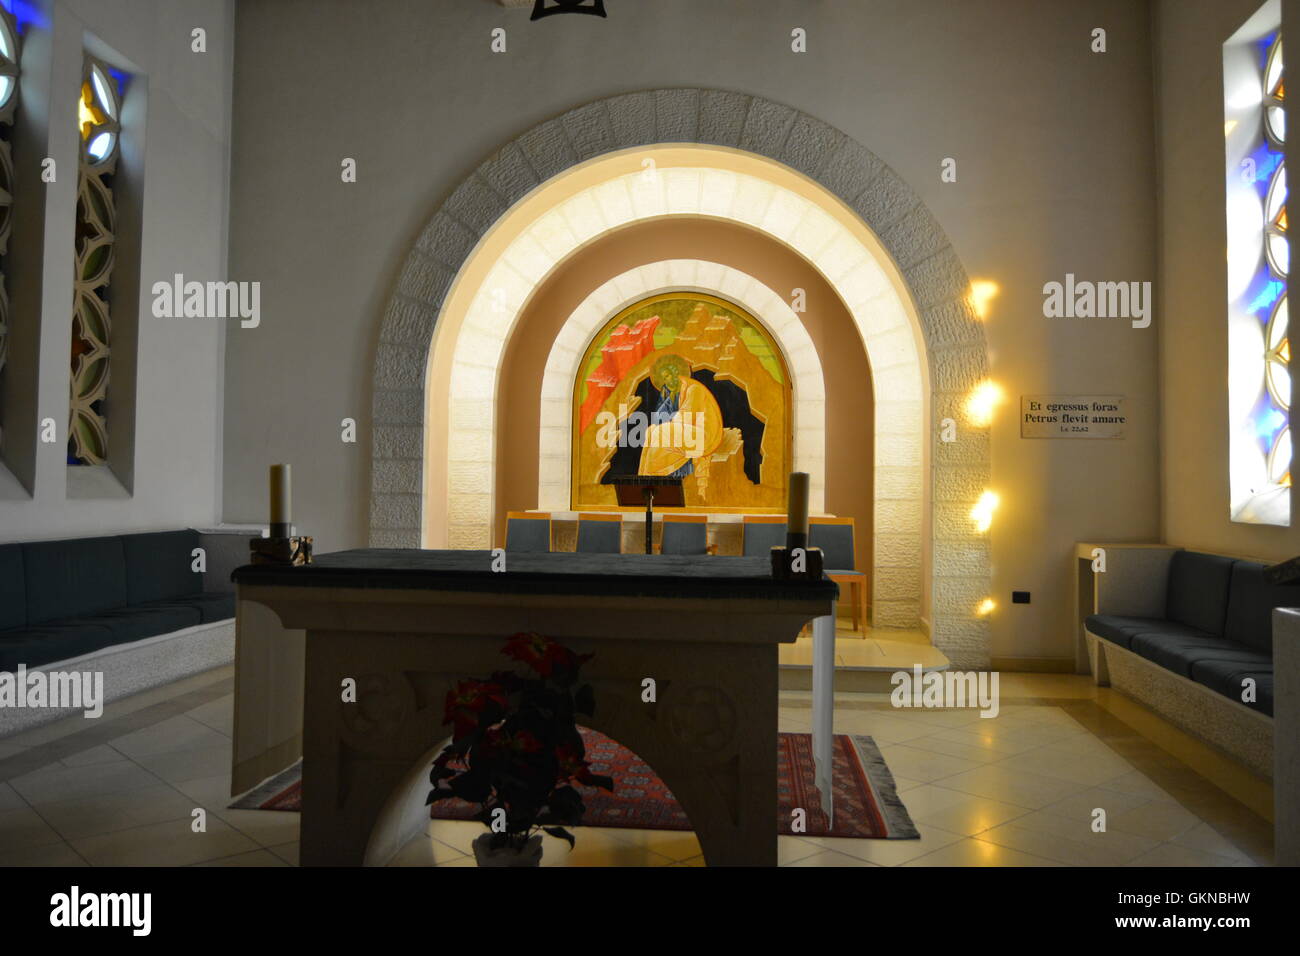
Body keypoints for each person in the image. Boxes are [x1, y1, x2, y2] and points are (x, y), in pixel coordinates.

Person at [638, 355, 724, 500]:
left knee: (659, 431)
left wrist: (666, 424)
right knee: (651, 431)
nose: (667, 381)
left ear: (677, 374)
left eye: (669, 376)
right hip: (688, 432)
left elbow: (686, 417)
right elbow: (661, 416)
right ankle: (646, 480)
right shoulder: (673, 393)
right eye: (664, 379)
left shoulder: (693, 389)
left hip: (705, 435)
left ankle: (653, 480)